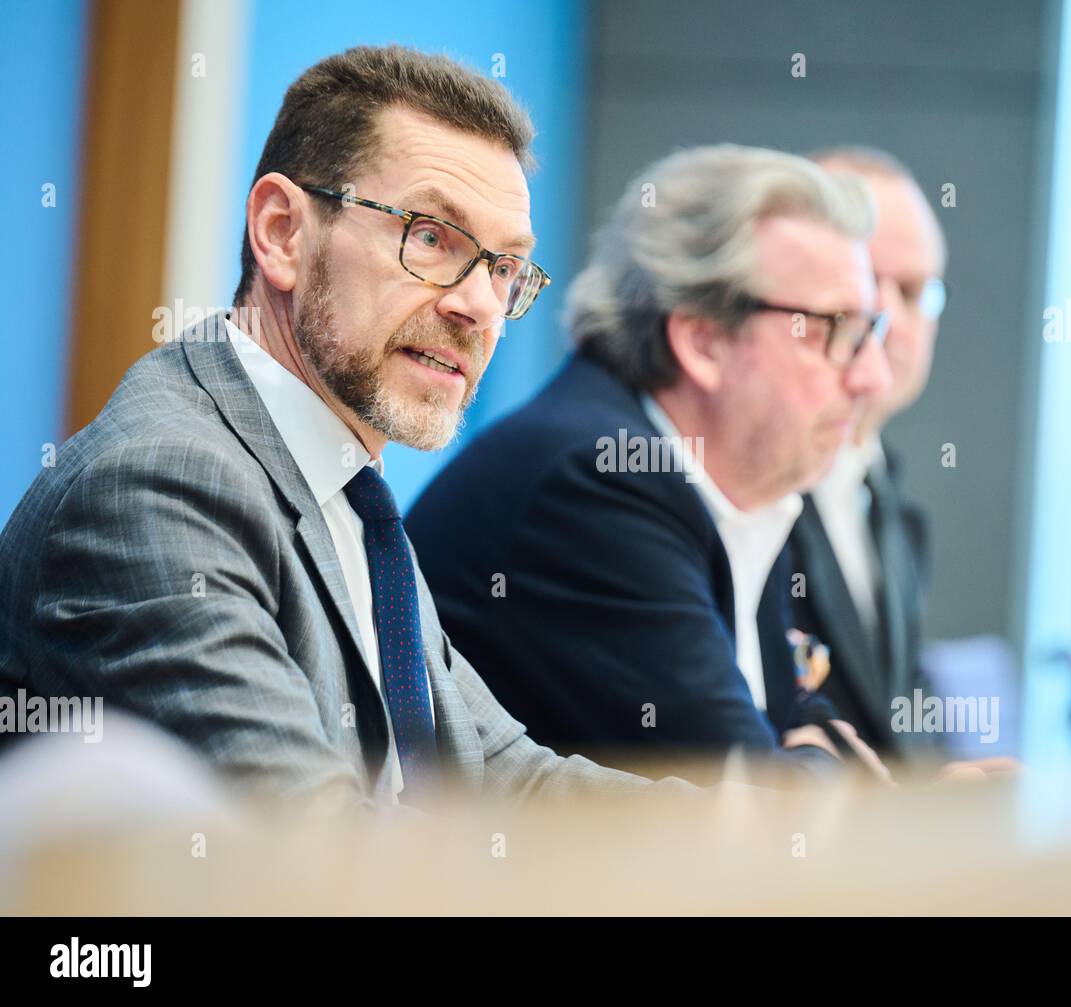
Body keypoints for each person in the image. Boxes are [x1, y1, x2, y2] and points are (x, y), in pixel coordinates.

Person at [0, 45, 695, 812]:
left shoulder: (346, 486)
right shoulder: (161, 484)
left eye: (503, 268)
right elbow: (319, 852)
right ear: (281, 232)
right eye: (432, 236)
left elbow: (501, 771)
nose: (481, 308)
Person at [406, 144, 894, 785]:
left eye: (871, 331)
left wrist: (810, 760)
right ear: (703, 340)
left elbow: (808, 724)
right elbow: (752, 810)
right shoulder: (595, 483)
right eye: (835, 330)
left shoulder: (739, 486)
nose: (872, 377)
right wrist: (817, 767)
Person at [789, 147, 948, 757]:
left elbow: (899, 729)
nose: (887, 314)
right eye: (861, 281)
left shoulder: (901, 518)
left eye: (914, 291)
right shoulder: (738, 492)